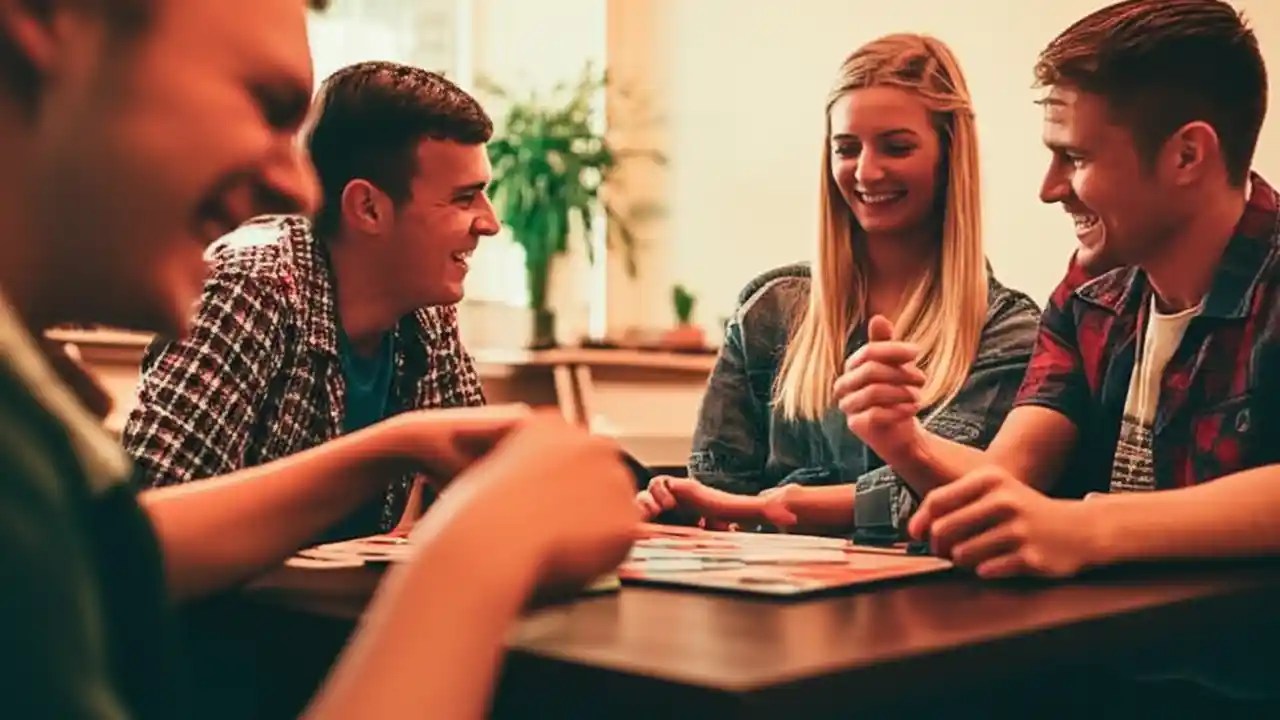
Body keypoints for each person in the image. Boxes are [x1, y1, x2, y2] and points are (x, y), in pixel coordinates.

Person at [0, 1, 637, 718]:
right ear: (54, 22)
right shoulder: (252, 279)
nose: (299, 189)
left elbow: (115, 553)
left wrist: (393, 449)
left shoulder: (28, 416)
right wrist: (477, 556)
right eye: (267, 107)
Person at [637, 33, 1040, 536]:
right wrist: (688, 507)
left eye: (897, 147)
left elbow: (943, 497)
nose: (867, 171)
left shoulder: (1008, 330)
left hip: (926, 607)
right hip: (768, 602)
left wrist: (771, 507)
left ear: (950, 155)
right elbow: (717, 489)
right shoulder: (770, 309)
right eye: (846, 148)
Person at [123, 61, 499, 539]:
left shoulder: (425, 310)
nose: (491, 223)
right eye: (465, 198)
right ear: (368, 208)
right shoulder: (251, 285)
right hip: (231, 614)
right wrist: (392, 449)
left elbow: (480, 479)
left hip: (337, 611)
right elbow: (146, 528)